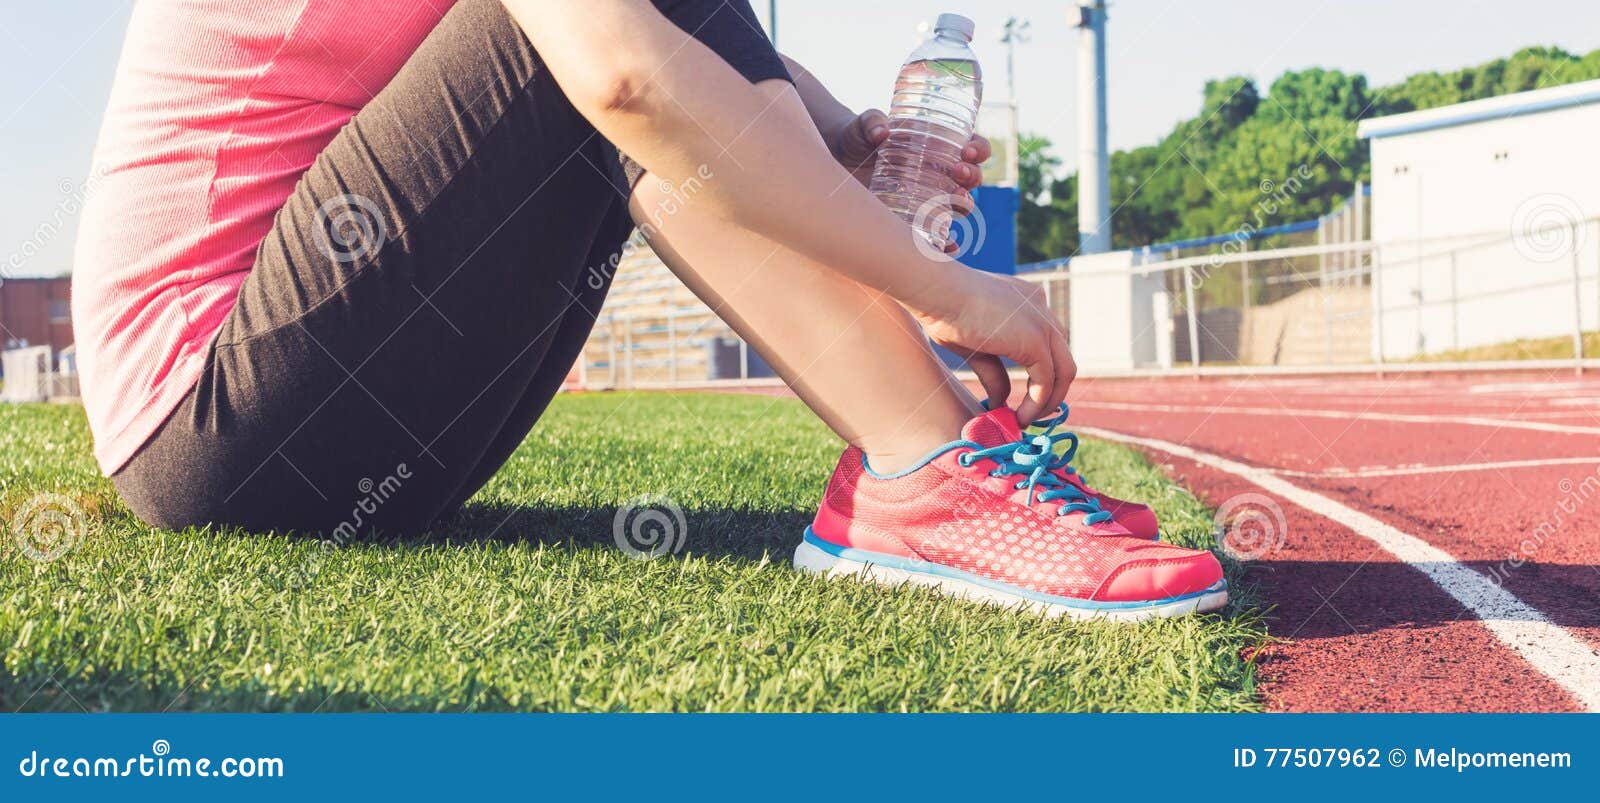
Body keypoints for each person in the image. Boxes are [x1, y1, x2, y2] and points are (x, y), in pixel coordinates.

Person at [74, 0, 1224, 619]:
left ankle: (926, 465)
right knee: (607, 54)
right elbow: (622, 73)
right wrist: (943, 283)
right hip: (223, 420)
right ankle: (924, 466)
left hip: (314, 417)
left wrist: (837, 140)